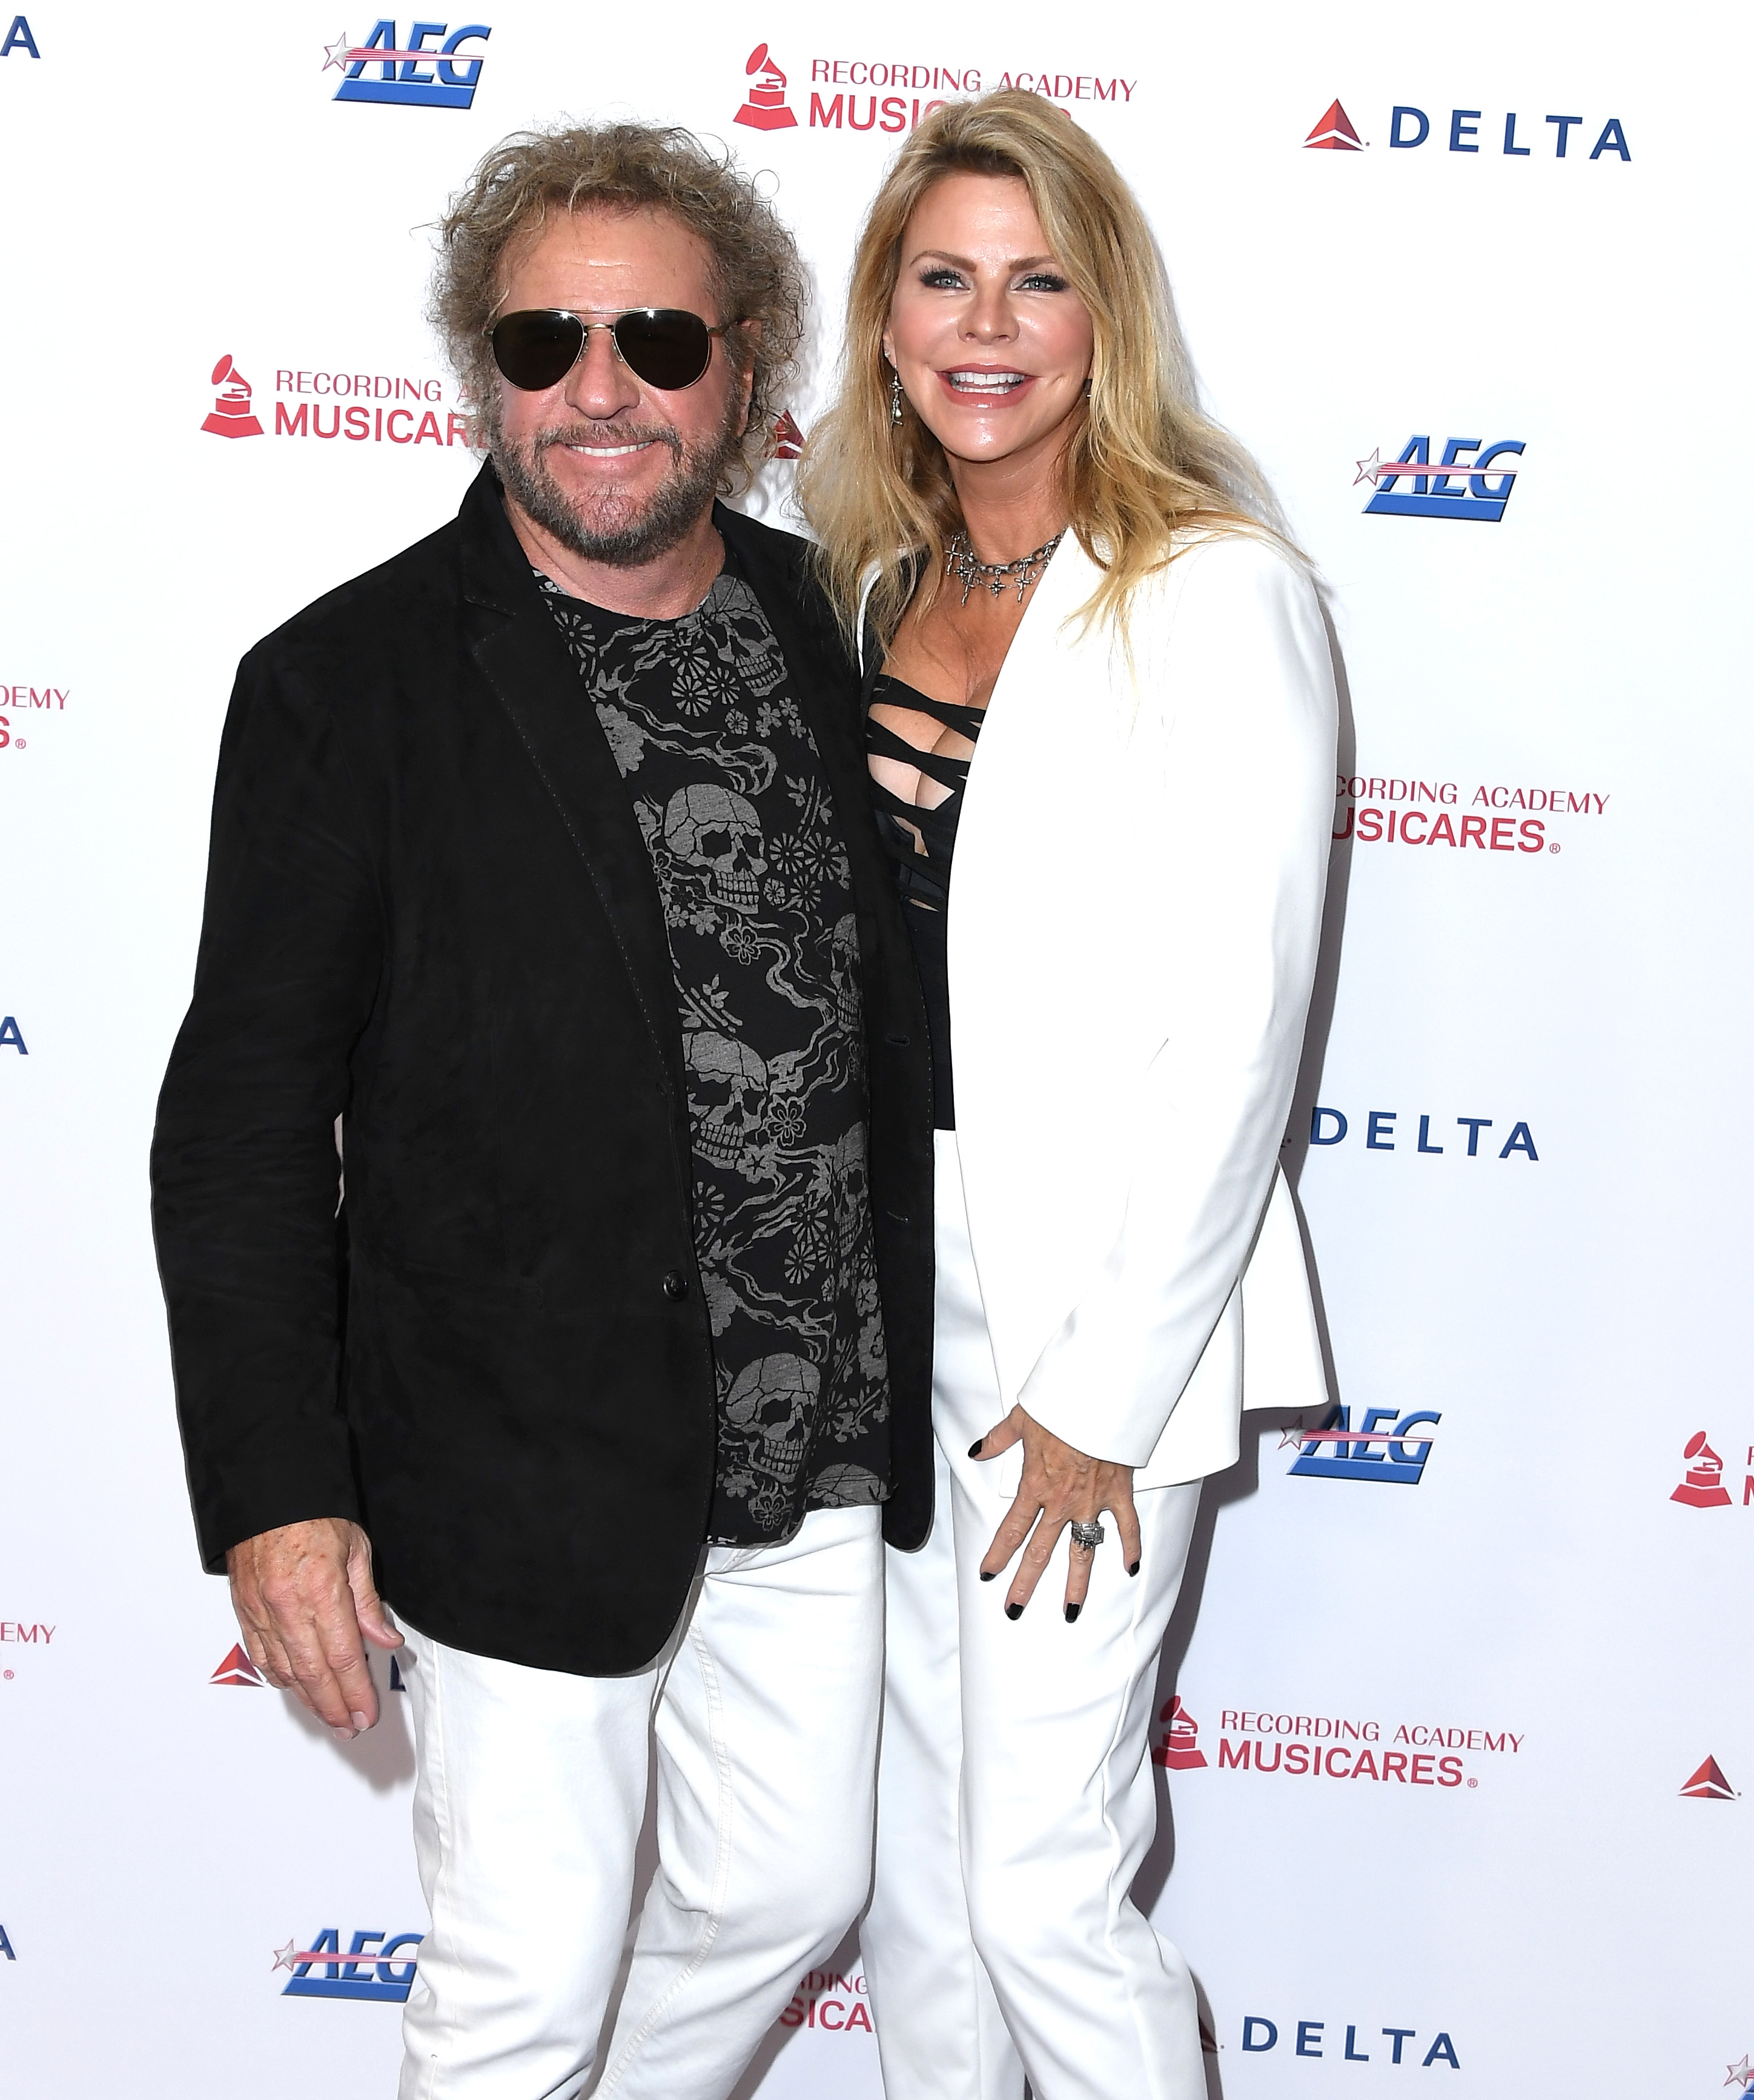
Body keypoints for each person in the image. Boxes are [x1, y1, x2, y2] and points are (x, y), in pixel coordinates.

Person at [151, 122, 933, 2100]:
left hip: (810, 1445)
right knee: (518, 1987)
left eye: (660, 340)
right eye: (544, 340)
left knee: (780, 1892)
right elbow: (241, 1114)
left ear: (745, 369)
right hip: (508, 1449)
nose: (602, 388)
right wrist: (276, 1483)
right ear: (480, 366)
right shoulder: (347, 684)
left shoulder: (837, 621)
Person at [798, 90, 1336, 2100]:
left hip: (1095, 1314)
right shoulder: (871, 585)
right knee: (923, 1884)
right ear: (882, 320)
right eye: (944, 275)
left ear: (1104, 320)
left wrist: (1105, 1398)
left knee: (1038, 1882)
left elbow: (1237, 1033)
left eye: (1037, 279)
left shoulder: (1213, 589)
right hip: (893, 1297)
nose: (987, 321)